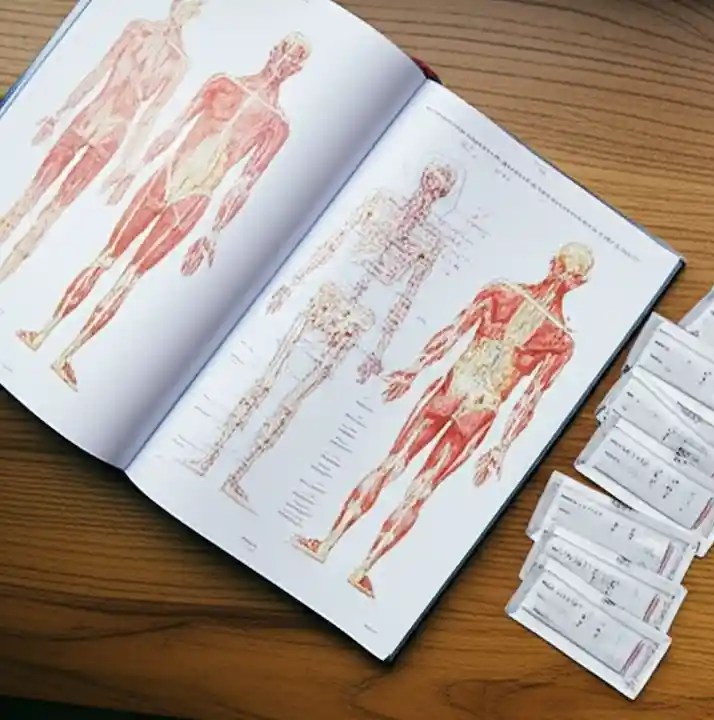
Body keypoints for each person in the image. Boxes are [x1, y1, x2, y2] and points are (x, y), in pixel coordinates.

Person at [293, 243, 594, 599]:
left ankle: (327, 544)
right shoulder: (559, 340)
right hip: (481, 407)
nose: (562, 278)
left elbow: (455, 332)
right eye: (570, 272)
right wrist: (501, 446)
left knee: (393, 463)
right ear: (579, 283)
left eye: (565, 272)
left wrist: (415, 370)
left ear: (552, 263)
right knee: (422, 488)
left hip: (452, 389)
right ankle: (361, 570)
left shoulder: (503, 293)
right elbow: (529, 398)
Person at [18, 33, 312, 391]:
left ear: (297, 69)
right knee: (107, 257)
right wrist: (133, 169)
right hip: (163, 179)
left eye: (295, 58)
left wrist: (213, 233)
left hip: (195, 197)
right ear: (273, 49)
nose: (285, 61)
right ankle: (43, 334)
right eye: (285, 50)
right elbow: (174, 128)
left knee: (130, 277)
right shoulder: (223, 83)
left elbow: (245, 182)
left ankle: (65, 354)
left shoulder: (276, 124)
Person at [187, 164, 459, 509]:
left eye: (438, 191)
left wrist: (379, 349)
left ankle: (237, 474)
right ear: (422, 180)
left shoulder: (429, 242)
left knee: (294, 399)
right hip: (330, 298)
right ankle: (209, 457)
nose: (429, 194)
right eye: (429, 183)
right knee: (267, 380)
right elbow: (335, 241)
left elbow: (407, 296)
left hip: (354, 320)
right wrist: (292, 284)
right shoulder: (382, 201)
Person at [0, 0, 203, 284]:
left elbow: (150, 115)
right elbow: (100, 69)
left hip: (113, 135)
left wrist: (127, 164)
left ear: (196, 12)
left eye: (194, 5)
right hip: (88, 117)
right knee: (30, 195)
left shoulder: (179, 62)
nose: (185, 9)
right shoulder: (137, 29)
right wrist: (59, 114)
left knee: (55, 209)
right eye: (185, 2)